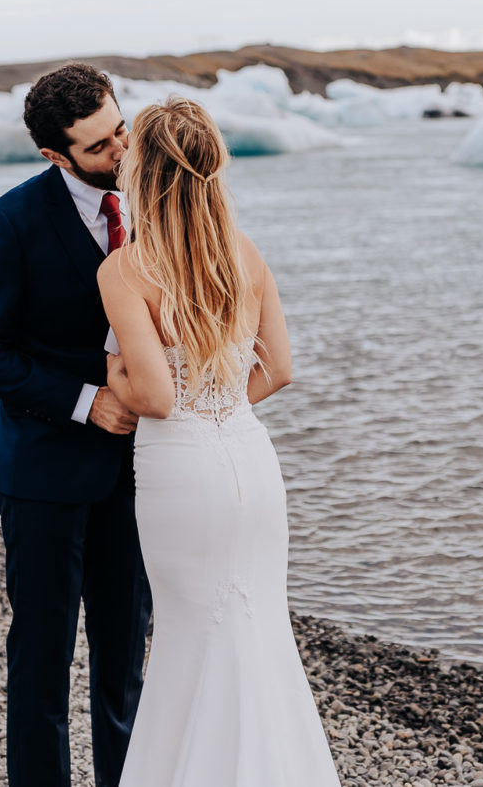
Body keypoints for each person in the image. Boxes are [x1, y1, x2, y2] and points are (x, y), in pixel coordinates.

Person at [96, 97, 341, 786]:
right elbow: (279, 369)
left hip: (181, 471)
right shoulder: (244, 254)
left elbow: (155, 398)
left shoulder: (126, 270)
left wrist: (113, 372)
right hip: (251, 459)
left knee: (190, 635)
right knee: (258, 632)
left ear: (143, 173)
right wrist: (222, 407)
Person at [0, 63, 152, 787]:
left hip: (141, 468)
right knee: (42, 658)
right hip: (41, 470)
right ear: (54, 155)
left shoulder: (153, 204)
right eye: (99, 147)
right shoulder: (9, 222)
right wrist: (85, 400)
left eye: (121, 130)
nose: (121, 152)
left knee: (125, 657)